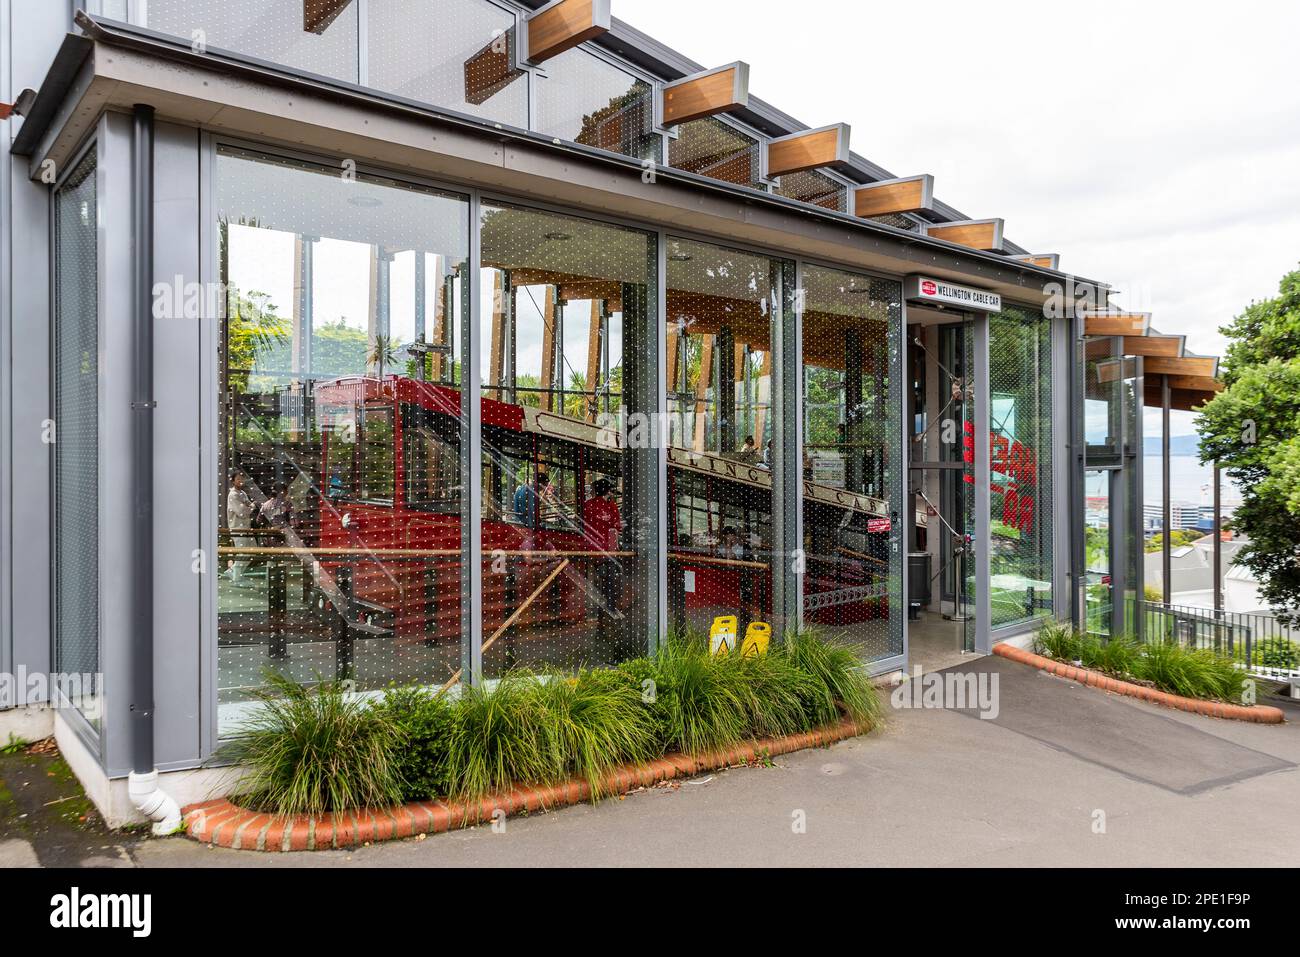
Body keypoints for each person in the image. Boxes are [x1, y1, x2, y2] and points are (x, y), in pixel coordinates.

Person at [582, 478, 624, 645]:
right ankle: (607, 618)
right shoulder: (610, 506)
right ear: (608, 491)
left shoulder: (587, 505)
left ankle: (602, 622)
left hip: (591, 551)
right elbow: (618, 527)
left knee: (602, 588)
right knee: (609, 589)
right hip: (607, 553)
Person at [225, 472, 254, 584]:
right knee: (243, 552)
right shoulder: (233, 495)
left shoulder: (242, 493)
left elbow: (249, 506)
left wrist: (250, 507)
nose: (240, 481)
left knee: (252, 550)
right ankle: (237, 578)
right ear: (233, 481)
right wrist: (250, 507)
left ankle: (233, 571)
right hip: (238, 528)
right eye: (238, 479)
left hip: (246, 527)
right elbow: (242, 512)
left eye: (242, 479)